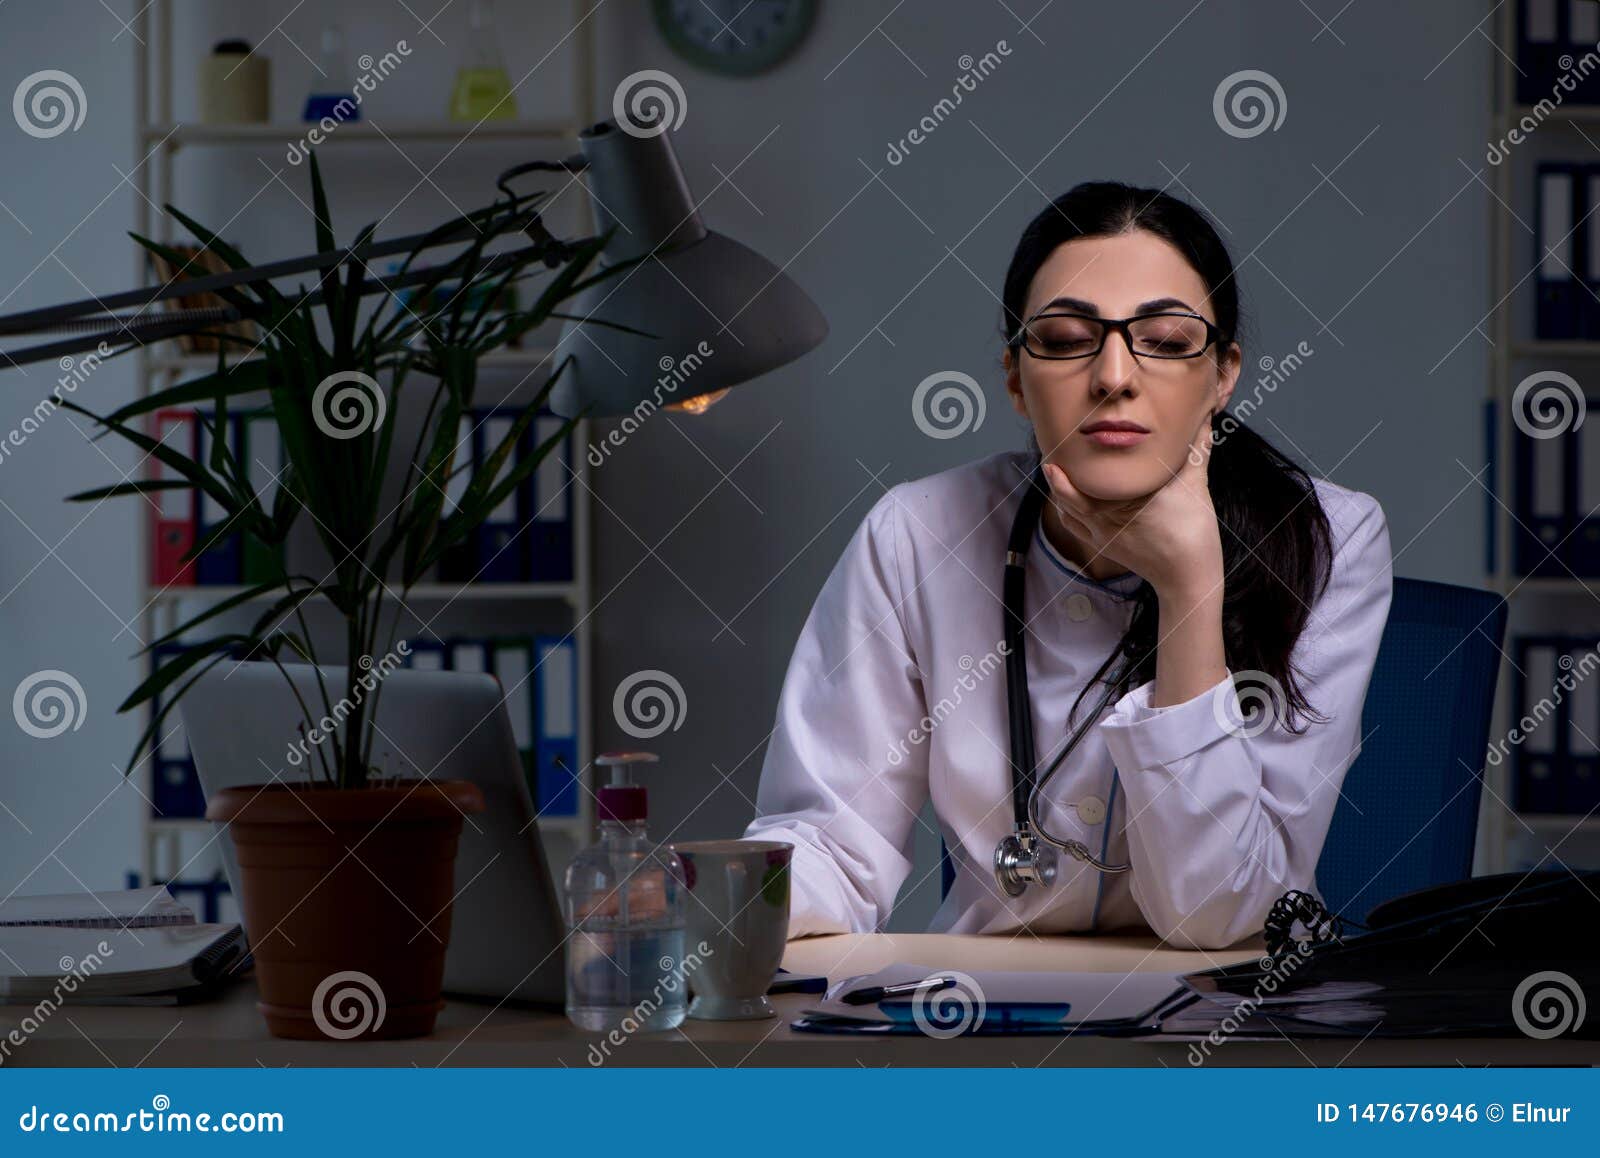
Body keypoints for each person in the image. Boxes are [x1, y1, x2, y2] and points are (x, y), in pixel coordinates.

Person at [742, 181, 1394, 950]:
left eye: (1166, 340)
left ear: (1223, 375)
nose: (1114, 376)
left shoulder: (1330, 537)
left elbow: (1216, 913)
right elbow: (832, 842)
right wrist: (711, 902)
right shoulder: (917, 533)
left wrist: (1189, 586)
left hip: (1232, 1010)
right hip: (985, 1006)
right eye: (1063, 340)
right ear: (1015, 378)